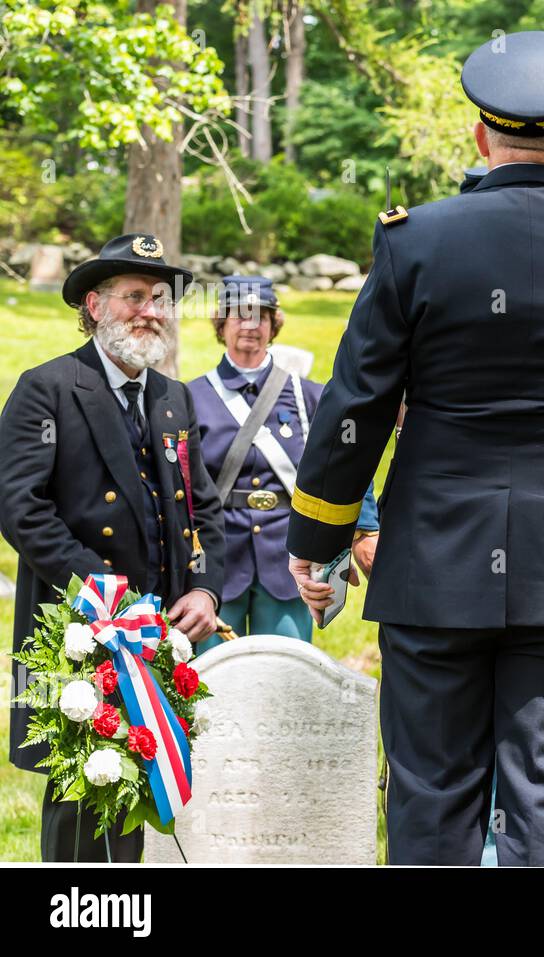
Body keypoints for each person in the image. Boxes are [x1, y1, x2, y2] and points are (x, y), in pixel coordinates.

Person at [284, 30, 544, 867]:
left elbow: (358, 404)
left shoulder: (413, 241)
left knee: (432, 795)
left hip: (435, 562)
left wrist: (318, 538)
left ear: (480, 138)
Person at [0, 233, 225, 861]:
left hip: (163, 636)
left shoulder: (171, 397)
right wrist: (104, 592)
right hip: (81, 628)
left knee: (143, 789)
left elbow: (201, 508)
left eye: (159, 298)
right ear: (95, 306)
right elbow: (19, 507)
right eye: (133, 296)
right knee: (84, 791)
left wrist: (205, 587)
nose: (149, 309)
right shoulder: (46, 388)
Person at [188, 275, 379, 651]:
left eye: (260, 315)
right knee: (211, 685)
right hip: (215, 562)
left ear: (274, 324)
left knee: (285, 679)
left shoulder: (310, 396)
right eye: (238, 315)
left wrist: (365, 530)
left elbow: (348, 463)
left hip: (289, 557)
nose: (249, 325)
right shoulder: (190, 398)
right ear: (221, 323)